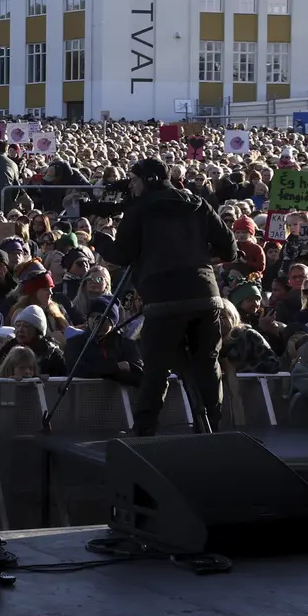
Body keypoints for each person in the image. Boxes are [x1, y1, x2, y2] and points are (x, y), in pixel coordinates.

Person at [97, 159, 237, 434]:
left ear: (148, 180)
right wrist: (197, 257)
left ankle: (145, 430)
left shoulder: (139, 210)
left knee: (156, 367)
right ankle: (213, 428)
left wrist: (100, 239)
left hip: (163, 298)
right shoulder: (197, 203)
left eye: (134, 180)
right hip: (205, 294)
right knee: (207, 362)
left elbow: (121, 255)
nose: (132, 186)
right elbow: (230, 249)